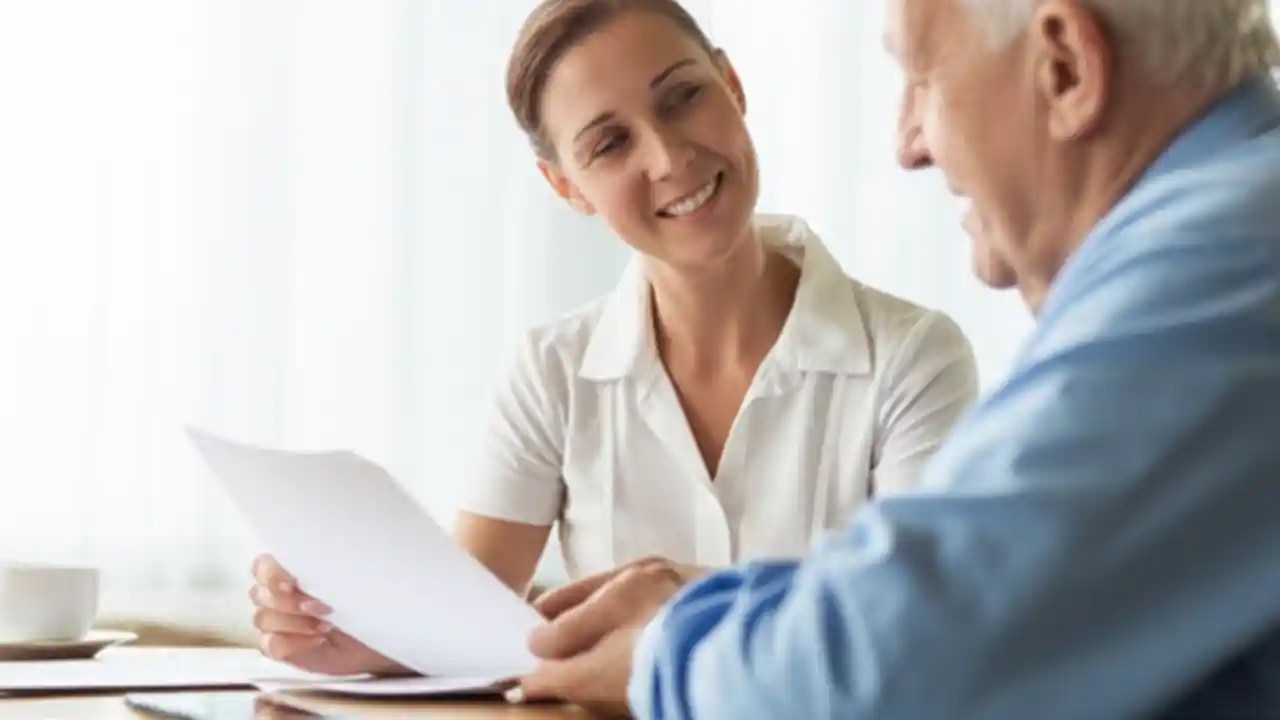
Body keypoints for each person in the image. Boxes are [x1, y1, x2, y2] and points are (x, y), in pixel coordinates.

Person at [508, 0, 1280, 717]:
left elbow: (901, 664)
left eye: (924, 78)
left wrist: (661, 654)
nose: (907, 144)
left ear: (1066, 68)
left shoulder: (1228, 264)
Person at [246, 0, 979, 676]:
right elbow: (461, 623)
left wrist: (681, 600)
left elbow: (914, 631)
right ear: (566, 187)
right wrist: (334, 624)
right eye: (608, 144)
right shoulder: (553, 372)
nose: (668, 158)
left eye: (683, 96)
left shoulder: (914, 357)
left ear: (733, 85)